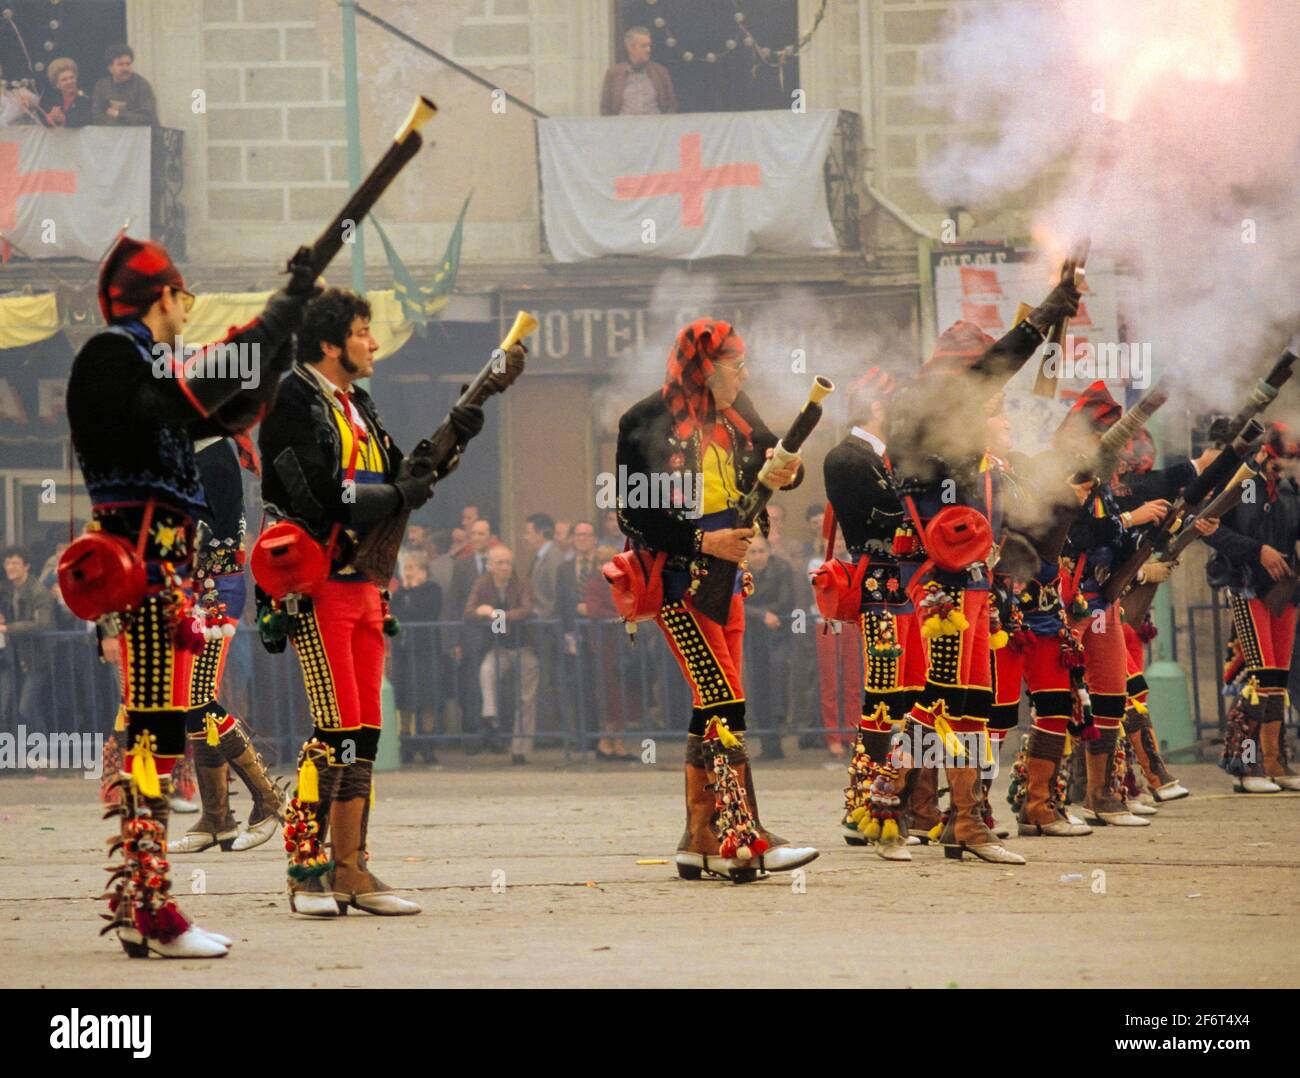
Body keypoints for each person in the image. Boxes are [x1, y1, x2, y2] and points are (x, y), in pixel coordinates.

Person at [66, 233, 315, 957]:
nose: (188, 311)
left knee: (161, 732)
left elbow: (222, 413)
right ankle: (153, 911)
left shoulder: (144, 363)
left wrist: (278, 339)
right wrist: (272, 318)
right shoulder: (114, 354)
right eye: (183, 297)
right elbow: (194, 397)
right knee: (152, 735)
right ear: (162, 297)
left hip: (164, 579)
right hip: (141, 571)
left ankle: (150, 905)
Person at [258, 287, 493, 918]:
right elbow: (320, 496)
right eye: (364, 331)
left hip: (365, 584)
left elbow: (402, 476)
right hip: (314, 584)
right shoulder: (290, 400)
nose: (374, 342)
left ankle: (351, 869)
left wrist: (456, 437)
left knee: (362, 732)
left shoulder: (354, 402)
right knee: (333, 729)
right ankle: (306, 870)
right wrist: (400, 492)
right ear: (331, 345)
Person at [885, 273, 1079, 865]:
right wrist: (1040, 318)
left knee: (971, 702)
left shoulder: (967, 435)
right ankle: (890, 809)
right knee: (933, 701)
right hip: (930, 583)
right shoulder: (923, 410)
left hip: (972, 582)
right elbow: (990, 370)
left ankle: (965, 821)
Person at [616, 317, 817, 882]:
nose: (745, 375)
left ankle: (701, 838)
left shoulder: (735, 410)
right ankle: (743, 835)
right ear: (706, 369)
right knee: (726, 701)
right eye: (736, 366)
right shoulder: (643, 421)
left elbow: (770, 461)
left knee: (712, 704)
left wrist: (790, 470)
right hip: (677, 583)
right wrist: (704, 539)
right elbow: (633, 515)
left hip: (728, 581)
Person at [823, 366, 929, 860]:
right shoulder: (846, 457)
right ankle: (873, 807)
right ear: (878, 409)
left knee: (911, 691)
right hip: (877, 586)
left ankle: (878, 801)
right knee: (883, 697)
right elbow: (882, 515)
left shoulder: (887, 457)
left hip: (905, 586)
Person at [169, 436, 284, 855]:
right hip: (197, 590)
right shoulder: (198, 454)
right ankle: (217, 816)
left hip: (215, 592)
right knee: (192, 702)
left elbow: (201, 531)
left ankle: (267, 796)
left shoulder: (213, 457)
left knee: (198, 699)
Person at [1205, 424, 1300, 793]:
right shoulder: (1241, 480)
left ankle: (1275, 761)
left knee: (1277, 678)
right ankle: (1246, 764)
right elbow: (1211, 529)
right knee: (1259, 678)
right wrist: (1258, 551)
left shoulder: (1292, 486)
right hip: (1245, 583)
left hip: (1284, 588)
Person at [465, 545, 538, 766]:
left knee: (526, 698)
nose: (506, 567)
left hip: (524, 645)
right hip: (499, 647)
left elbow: (526, 609)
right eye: (500, 563)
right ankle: (491, 713)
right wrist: (482, 611)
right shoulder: (483, 582)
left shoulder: (522, 581)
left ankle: (520, 749)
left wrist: (501, 616)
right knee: (487, 670)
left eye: (508, 562)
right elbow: (468, 610)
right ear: (490, 565)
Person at [741, 534, 795, 761]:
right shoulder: (740, 573)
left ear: (769, 551)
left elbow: (785, 602)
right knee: (758, 685)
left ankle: (779, 728)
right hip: (753, 635)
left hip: (779, 632)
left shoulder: (782, 569)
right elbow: (737, 602)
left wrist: (760, 612)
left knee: (779, 676)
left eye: (761, 551)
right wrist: (762, 614)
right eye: (753, 552)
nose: (758, 556)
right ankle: (768, 744)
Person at [390, 552, 443, 765]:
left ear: (423, 571)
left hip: (425, 650)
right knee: (404, 697)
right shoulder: (400, 592)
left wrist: (414, 591)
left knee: (426, 696)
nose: (408, 573)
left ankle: (427, 742)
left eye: (412, 568)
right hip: (403, 651)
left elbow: (426, 613)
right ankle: (406, 742)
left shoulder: (432, 590)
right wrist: (405, 592)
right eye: (406, 568)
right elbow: (396, 614)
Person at [0, 547, 55, 735]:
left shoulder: (37, 591)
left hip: (38, 657)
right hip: (21, 657)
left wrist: (8, 628)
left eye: (15, 563)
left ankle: (44, 751)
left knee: (27, 707)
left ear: (27, 566)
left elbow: (42, 624)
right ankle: (38, 752)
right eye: (7, 563)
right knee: (28, 708)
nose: (10, 567)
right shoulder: (12, 591)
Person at [600, 25, 677, 116]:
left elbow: (671, 105)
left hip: (655, 127)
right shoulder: (614, 73)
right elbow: (605, 107)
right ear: (630, 48)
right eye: (644, 46)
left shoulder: (661, 72)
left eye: (649, 45)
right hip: (624, 127)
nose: (648, 49)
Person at [92, 44, 157, 126]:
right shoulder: (102, 86)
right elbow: (96, 116)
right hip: (112, 135)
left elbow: (148, 118)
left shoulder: (141, 85)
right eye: (120, 64)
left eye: (128, 64)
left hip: (140, 136)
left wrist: (119, 115)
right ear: (110, 68)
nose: (125, 68)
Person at [41, 57, 92, 128]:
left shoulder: (85, 98)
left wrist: (64, 119)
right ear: (57, 84)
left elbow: (86, 119)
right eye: (64, 80)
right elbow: (41, 119)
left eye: (72, 77)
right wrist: (50, 118)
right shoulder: (51, 101)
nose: (69, 82)